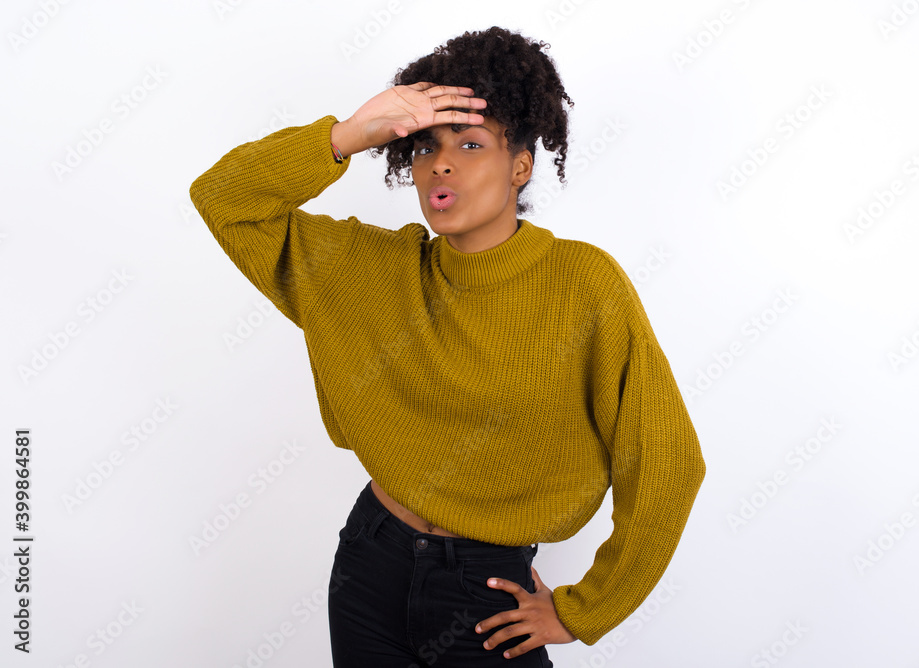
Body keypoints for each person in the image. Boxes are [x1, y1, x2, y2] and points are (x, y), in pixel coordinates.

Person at [190, 25, 706, 668]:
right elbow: (223, 200)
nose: (441, 163)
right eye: (426, 146)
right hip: (369, 567)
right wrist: (347, 134)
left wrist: (586, 609)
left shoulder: (583, 286)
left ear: (521, 165)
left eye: (469, 143)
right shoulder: (367, 271)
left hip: (491, 596)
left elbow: (667, 459)